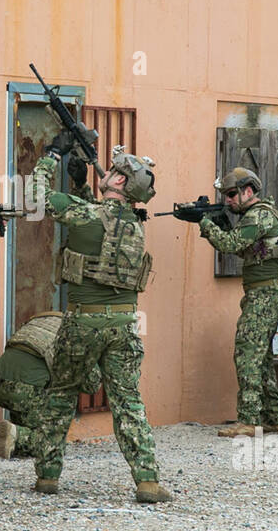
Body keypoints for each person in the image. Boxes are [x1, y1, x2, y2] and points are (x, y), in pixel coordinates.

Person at [23, 137, 173, 503]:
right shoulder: (135, 225)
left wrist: (51, 157)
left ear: (119, 182)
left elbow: (36, 195)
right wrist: (81, 186)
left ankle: (47, 477)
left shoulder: (86, 216)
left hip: (82, 323)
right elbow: (102, 222)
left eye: (114, 171)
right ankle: (147, 481)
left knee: (60, 394)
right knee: (128, 402)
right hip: (124, 325)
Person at [197, 167, 278, 439]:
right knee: (261, 356)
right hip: (263, 291)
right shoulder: (261, 214)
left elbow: (230, 244)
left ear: (247, 191)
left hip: (264, 293)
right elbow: (244, 246)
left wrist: (205, 224)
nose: (228, 200)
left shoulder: (259, 215)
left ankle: (249, 420)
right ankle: (274, 418)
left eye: (231, 195)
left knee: (247, 352)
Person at [0, 311, 101, 460]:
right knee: (54, 446)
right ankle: (19, 435)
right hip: (25, 391)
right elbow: (92, 385)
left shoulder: (43, 319)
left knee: (34, 393)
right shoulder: (80, 337)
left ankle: (15, 441)